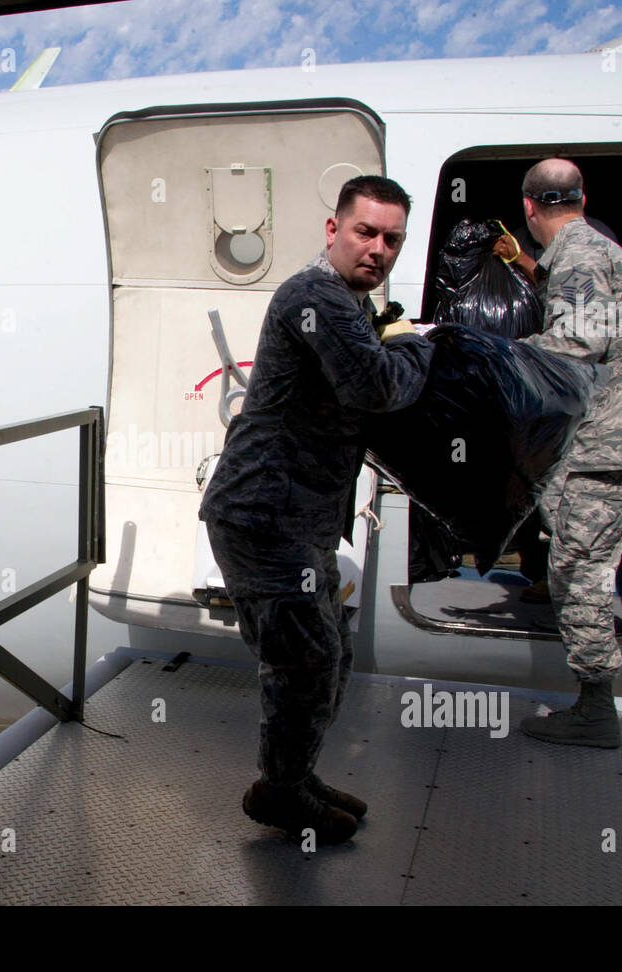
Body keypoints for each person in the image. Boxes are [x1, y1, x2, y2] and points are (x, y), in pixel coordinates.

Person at [199, 176, 434, 843]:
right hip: (263, 517)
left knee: (329, 656)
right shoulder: (316, 296)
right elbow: (377, 384)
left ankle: (294, 776)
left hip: (301, 520)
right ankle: (281, 790)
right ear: (334, 230)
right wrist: (412, 340)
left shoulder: (350, 305)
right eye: (366, 232)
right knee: (303, 661)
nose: (378, 249)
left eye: (392, 239)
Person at [500, 158, 622, 748]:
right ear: (581, 200)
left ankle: (594, 708)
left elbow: (575, 343)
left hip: (619, 434)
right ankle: (592, 694)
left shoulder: (580, 257)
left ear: (530, 209)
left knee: (578, 565)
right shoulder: (589, 249)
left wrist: (489, 355)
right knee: (573, 543)